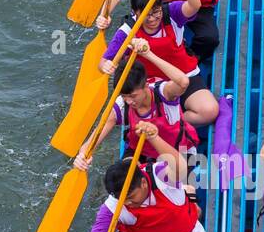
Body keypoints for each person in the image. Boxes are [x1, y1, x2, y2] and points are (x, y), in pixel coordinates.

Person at [100, 0, 218, 130]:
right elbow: (103, 62)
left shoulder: (172, 13)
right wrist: (107, 66)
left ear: (160, 7)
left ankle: (167, 124)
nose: (151, 19)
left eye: (156, 12)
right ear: (134, 12)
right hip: (150, 87)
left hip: (184, 74)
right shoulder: (126, 32)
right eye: (145, 15)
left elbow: (195, 5)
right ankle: (162, 122)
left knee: (209, 111)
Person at [74, 42, 197, 170]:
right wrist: (82, 155)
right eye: (123, 96)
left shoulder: (163, 93)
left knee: (170, 178)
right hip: (142, 154)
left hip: (178, 151)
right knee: (124, 172)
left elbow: (183, 82)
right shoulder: (121, 106)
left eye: (132, 96)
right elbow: (92, 140)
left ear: (145, 85)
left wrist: (148, 54)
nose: (128, 101)